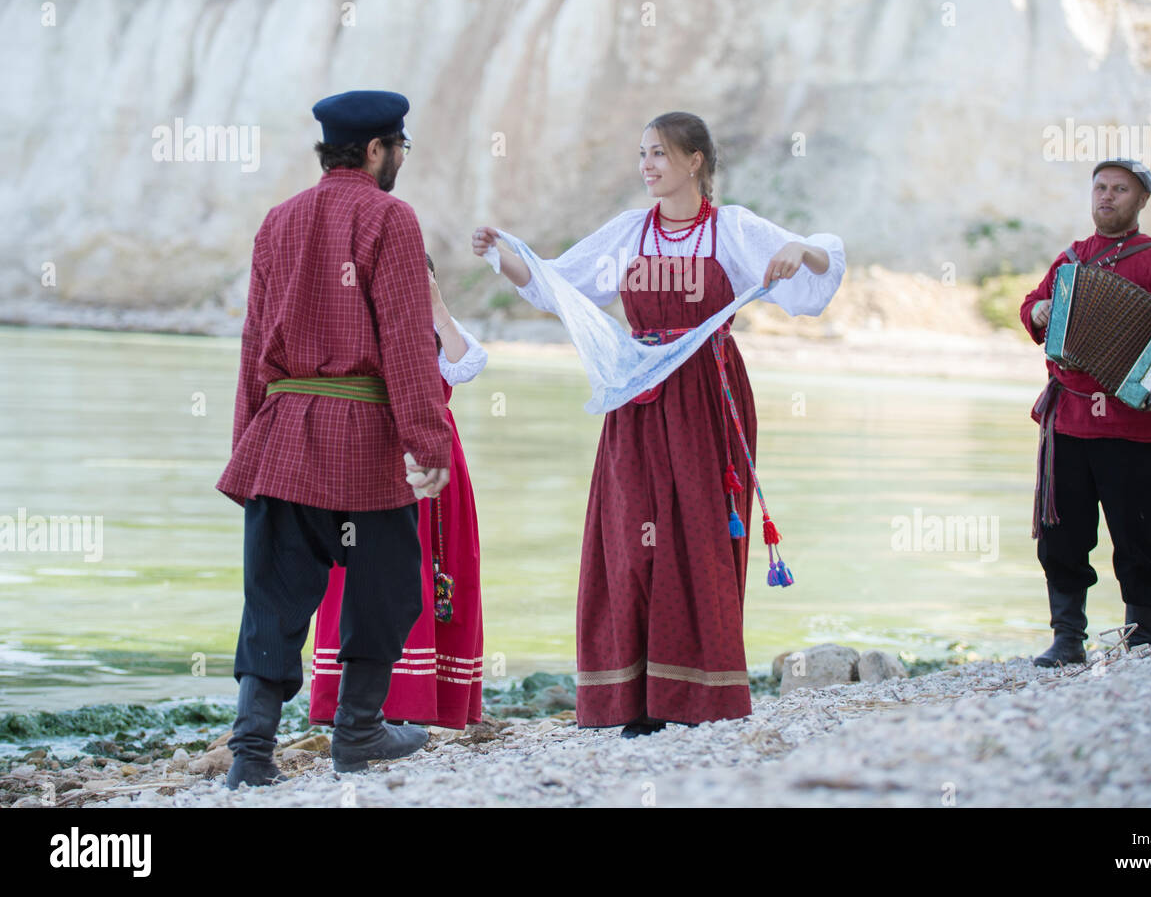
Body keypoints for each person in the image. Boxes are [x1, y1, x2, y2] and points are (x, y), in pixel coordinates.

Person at [473, 112, 844, 735]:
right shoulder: (628, 233)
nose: (646, 165)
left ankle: (696, 697)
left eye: (659, 154)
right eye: (641, 154)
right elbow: (559, 286)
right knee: (628, 537)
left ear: (694, 161)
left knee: (696, 535)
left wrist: (798, 248)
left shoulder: (734, 230)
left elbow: (820, 268)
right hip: (638, 396)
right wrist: (505, 257)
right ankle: (634, 699)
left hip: (707, 394)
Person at [216, 89, 453, 786]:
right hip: (363, 441)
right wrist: (427, 443)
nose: (402, 160)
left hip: (283, 438)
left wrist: (245, 450)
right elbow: (409, 342)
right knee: (383, 587)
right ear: (377, 150)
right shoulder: (390, 218)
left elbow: (253, 342)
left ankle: (250, 757)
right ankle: (356, 734)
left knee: (274, 597)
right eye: (400, 147)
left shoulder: (278, 220)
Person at [1020, 159, 1151, 667]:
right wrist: (1036, 313)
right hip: (1068, 424)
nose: (1106, 196)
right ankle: (1067, 639)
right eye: (1100, 187)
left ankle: (1142, 638)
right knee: (1062, 535)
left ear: (1141, 200)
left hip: (1132, 423)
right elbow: (1032, 308)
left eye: (1119, 189)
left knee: (1137, 533)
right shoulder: (1071, 259)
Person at [309, 267, 487, 730]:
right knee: (356, 573)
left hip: (430, 459)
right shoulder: (355, 321)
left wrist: (436, 305)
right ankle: (353, 705)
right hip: (366, 453)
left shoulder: (433, 324)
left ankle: (416, 702)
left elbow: (469, 364)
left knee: (427, 573)